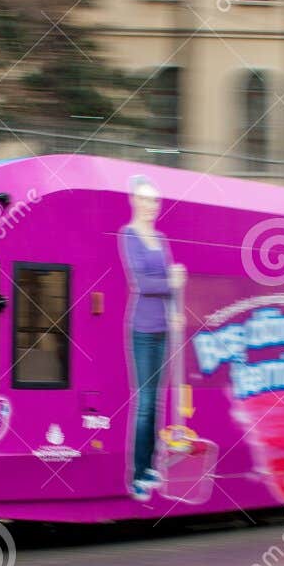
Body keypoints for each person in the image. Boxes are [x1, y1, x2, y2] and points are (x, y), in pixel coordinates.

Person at [120, 175, 185, 501]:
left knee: (157, 401)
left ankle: (151, 466)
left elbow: (169, 282)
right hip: (143, 329)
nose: (150, 206)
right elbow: (143, 284)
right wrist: (172, 283)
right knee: (144, 404)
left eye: (155, 201)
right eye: (145, 200)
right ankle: (138, 474)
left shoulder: (161, 238)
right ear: (135, 201)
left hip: (164, 329)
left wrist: (175, 309)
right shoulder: (129, 235)